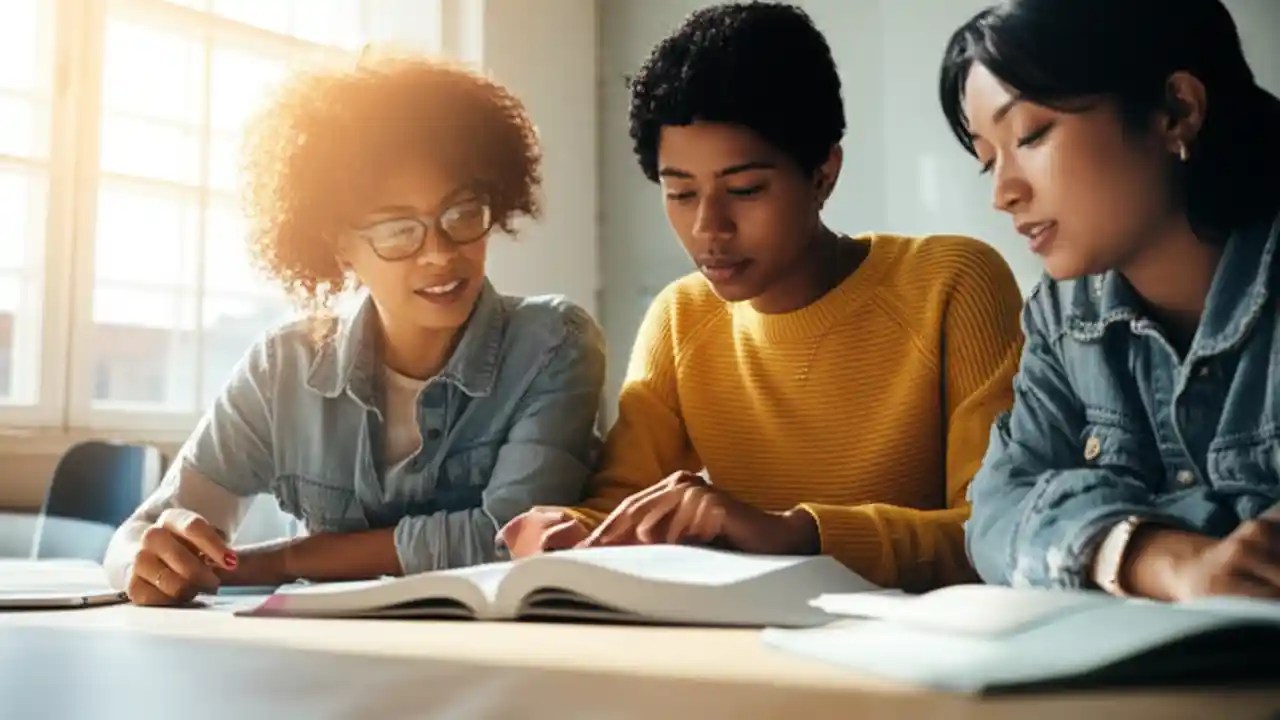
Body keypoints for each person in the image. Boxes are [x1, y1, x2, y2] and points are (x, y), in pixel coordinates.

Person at [499, 1, 1023, 591]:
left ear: (823, 173)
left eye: (744, 189)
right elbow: (617, 509)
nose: (707, 229)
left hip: (923, 661)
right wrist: (565, 529)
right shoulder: (681, 317)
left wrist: (796, 533)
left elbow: (998, 533)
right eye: (680, 193)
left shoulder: (949, 284)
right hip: (743, 655)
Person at [103, 54, 606, 606]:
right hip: (329, 666)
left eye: (462, 214)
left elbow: (510, 541)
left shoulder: (552, 344)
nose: (440, 254)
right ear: (338, 243)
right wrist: (145, 560)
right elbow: (140, 532)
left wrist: (275, 562)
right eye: (398, 231)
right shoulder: (282, 370)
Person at [941, 0, 1280, 599]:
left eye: (1032, 135)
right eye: (988, 160)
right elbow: (996, 509)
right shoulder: (1064, 316)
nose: (1004, 192)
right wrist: (1159, 556)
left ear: (1176, 110)